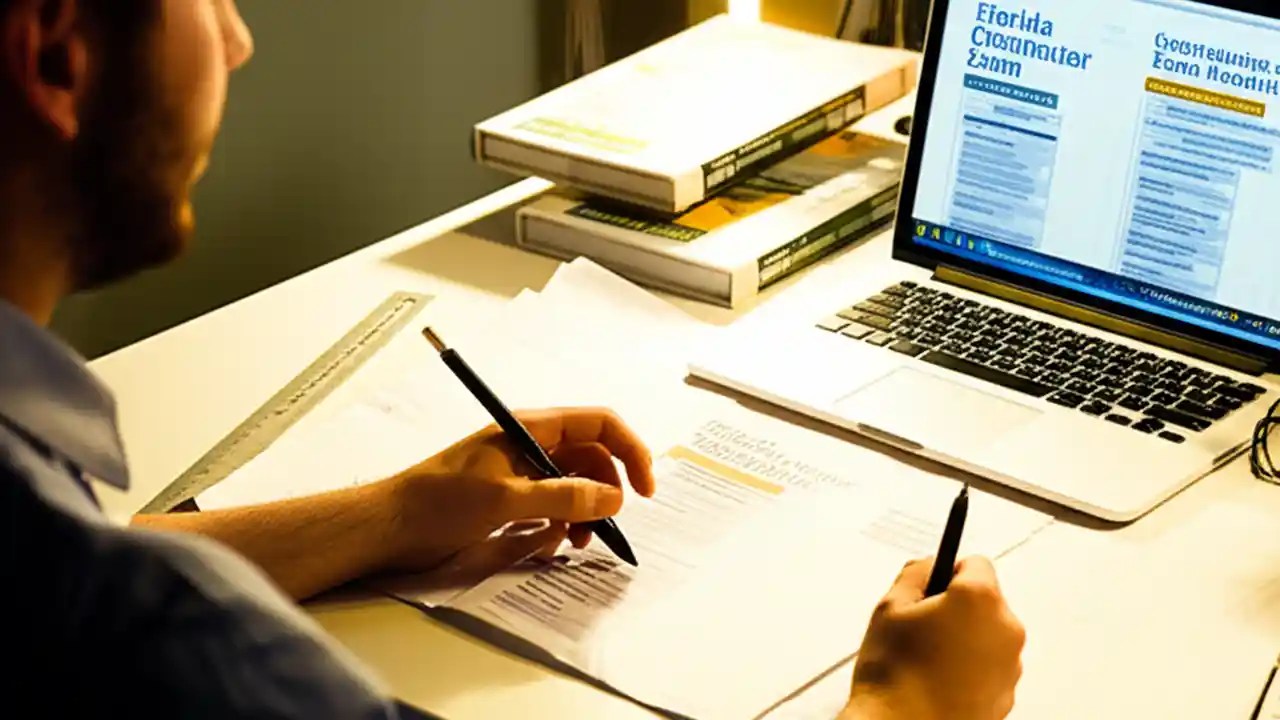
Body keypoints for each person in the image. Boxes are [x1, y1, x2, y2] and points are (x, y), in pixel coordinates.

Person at [0, 1, 1025, 718]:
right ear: (55, 56)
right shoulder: (159, 647)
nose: (237, 41)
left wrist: (392, 515)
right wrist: (903, 706)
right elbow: (93, 592)